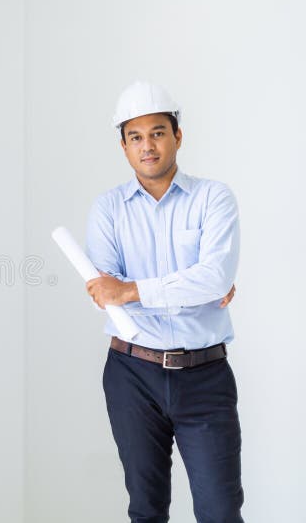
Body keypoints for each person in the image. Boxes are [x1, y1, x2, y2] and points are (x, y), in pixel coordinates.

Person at [84, 81, 244, 522]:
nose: (147, 146)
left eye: (157, 132)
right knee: (147, 509)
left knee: (220, 510)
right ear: (123, 146)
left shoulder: (213, 198)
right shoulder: (108, 210)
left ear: (177, 136)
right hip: (131, 374)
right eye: (135, 137)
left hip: (204, 375)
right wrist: (193, 286)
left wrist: (134, 290)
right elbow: (106, 292)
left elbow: (213, 278)